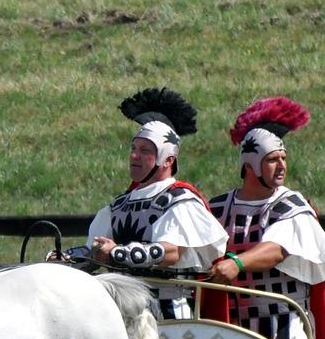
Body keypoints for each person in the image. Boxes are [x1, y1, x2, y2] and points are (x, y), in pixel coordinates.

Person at [206, 96, 325, 339]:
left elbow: (277, 249)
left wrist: (237, 262)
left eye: (283, 158)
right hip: (230, 328)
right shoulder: (217, 207)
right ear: (250, 166)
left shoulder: (292, 206)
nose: (281, 165)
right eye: (272, 160)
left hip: (283, 327)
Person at [88, 87, 227, 318]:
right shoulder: (120, 205)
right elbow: (97, 247)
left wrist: (117, 254)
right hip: (124, 312)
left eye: (145, 151)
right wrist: (70, 256)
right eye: (134, 149)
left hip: (169, 313)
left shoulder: (180, 200)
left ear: (167, 160)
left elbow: (171, 252)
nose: (135, 156)